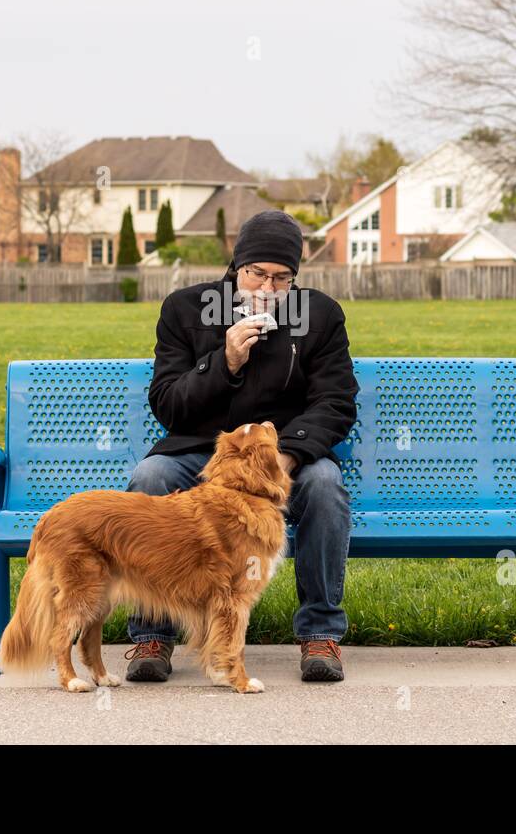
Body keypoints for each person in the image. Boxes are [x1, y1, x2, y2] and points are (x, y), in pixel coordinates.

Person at [124, 209, 359, 682]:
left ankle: (319, 633)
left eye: (282, 277)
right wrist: (224, 360)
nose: (268, 289)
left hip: (285, 454)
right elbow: (169, 405)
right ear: (237, 268)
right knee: (151, 478)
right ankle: (153, 632)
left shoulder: (321, 315)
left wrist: (287, 455)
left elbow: (336, 401)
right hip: (200, 451)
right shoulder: (186, 309)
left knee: (326, 487)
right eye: (257, 274)